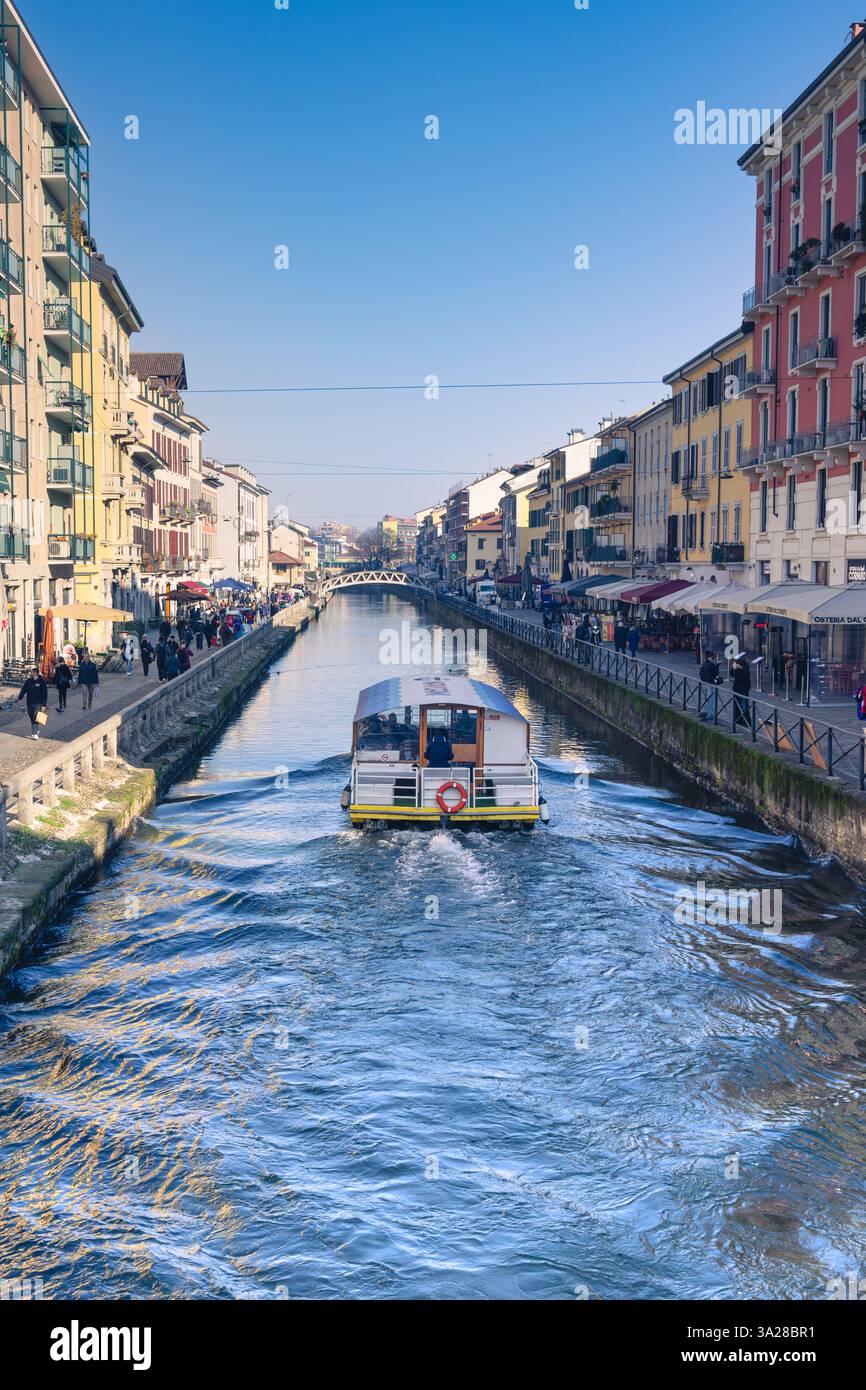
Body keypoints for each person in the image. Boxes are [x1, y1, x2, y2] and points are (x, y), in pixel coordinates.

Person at [18, 668, 48, 739]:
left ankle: (34, 734)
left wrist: (44, 705)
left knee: (35, 716)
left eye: (31, 672)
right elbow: (23, 689)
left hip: (38, 703)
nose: (30, 673)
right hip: (29, 702)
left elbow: (45, 694)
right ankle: (36, 729)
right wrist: (20, 698)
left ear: (35, 673)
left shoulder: (41, 682)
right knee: (31, 716)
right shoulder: (28, 681)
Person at [698, 649, 722, 721]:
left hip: (706, 683)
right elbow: (716, 673)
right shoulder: (711, 665)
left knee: (708, 699)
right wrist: (717, 666)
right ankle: (710, 715)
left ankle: (708, 713)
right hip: (711, 683)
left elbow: (701, 674)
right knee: (711, 700)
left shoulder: (704, 664)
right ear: (711, 657)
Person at [732, 657, 751, 729]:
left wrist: (735, 670)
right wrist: (733, 669)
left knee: (744, 707)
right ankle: (738, 721)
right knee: (737, 706)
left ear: (740, 664)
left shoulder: (745, 671)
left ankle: (747, 722)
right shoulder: (738, 669)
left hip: (743, 691)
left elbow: (738, 677)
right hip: (737, 690)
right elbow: (732, 674)